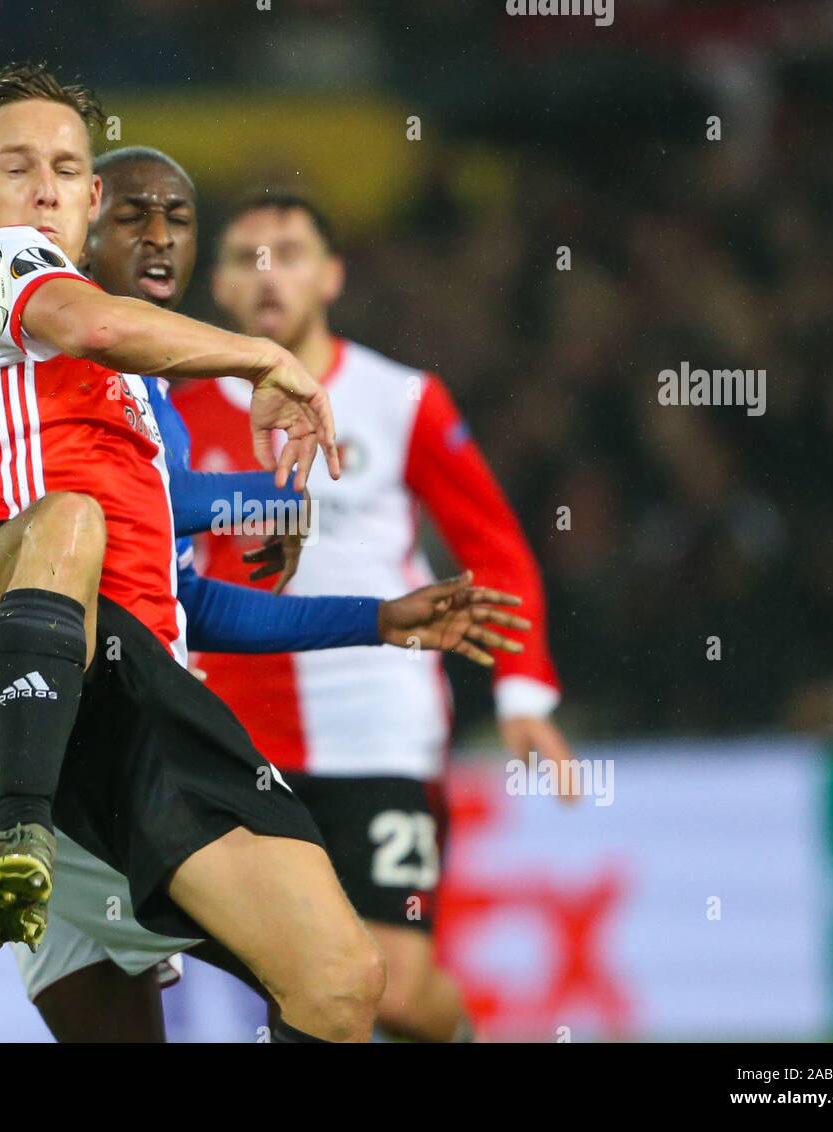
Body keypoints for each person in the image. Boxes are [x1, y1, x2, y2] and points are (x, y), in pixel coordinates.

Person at [0, 146, 529, 1041]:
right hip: (55, 731)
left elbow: (186, 597)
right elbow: (155, 496)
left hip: (6, 737)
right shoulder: (51, 326)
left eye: (178, 217)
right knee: (337, 974)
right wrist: (266, 486)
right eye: (131, 214)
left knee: (319, 982)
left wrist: (372, 618)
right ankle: (27, 828)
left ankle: (25, 837)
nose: (159, 236)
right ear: (86, 222)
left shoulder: (138, 381)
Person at [173, 193, 574, 1042]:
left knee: (393, 987)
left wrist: (524, 696)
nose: (270, 272)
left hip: (379, 732)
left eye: (291, 251)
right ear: (219, 283)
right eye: (248, 256)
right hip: (234, 739)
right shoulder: (175, 409)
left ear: (332, 274)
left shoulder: (403, 398)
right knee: (299, 976)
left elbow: (492, 546)